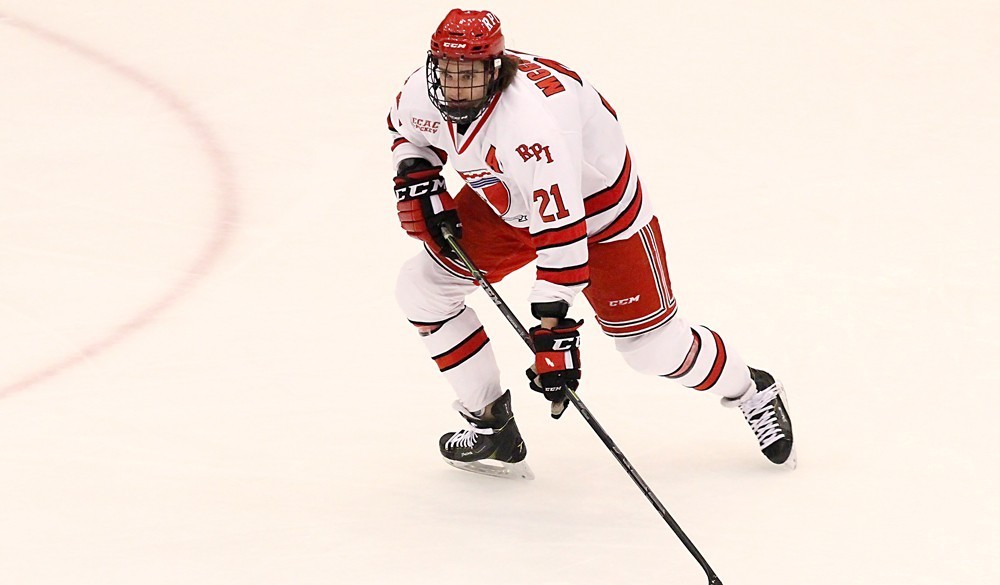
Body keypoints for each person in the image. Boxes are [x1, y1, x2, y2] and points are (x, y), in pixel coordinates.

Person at [388, 9, 796, 479]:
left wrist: (553, 331)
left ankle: (751, 389)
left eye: (472, 74)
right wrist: (415, 173)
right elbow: (405, 132)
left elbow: (562, 237)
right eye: (449, 71)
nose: (457, 86)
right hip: (505, 196)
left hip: (596, 214)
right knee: (422, 289)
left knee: (652, 349)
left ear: (496, 70)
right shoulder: (422, 88)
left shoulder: (536, 126)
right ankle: (491, 424)